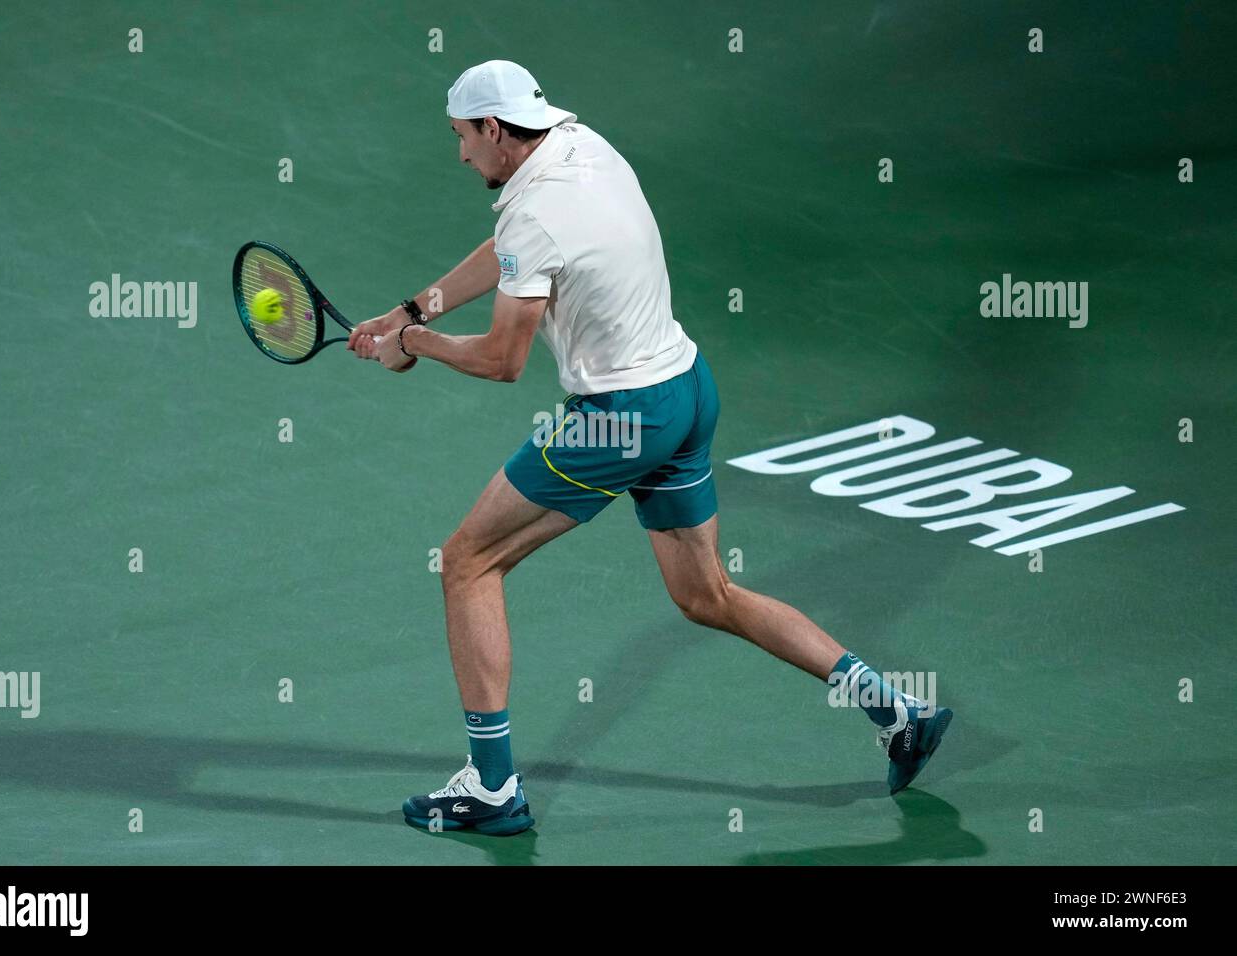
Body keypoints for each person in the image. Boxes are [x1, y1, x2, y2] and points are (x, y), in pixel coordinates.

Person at [348, 60, 952, 836]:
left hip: (619, 418)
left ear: (495, 131)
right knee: (707, 597)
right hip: (689, 388)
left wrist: (416, 343)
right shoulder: (577, 145)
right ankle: (896, 709)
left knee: (467, 561)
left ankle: (492, 788)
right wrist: (411, 307)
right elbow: (509, 248)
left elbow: (504, 361)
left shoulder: (534, 218)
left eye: (462, 138)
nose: (461, 154)